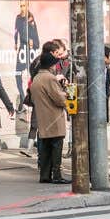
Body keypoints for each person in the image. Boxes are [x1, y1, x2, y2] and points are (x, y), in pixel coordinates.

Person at [28, 50, 69, 184]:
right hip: (54, 117)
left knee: (45, 149)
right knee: (56, 147)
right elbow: (60, 99)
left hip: (42, 117)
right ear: (51, 65)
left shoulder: (36, 78)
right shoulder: (50, 78)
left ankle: (44, 175)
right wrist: (65, 91)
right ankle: (57, 175)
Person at [13, 0, 39, 119]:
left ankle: (33, 100)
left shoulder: (31, 18)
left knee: (32, 74)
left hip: (30, 50)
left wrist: (33, 41)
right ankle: (23, 100)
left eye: (24, 5)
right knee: (17, 74)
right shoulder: (18, 18)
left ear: (28, 5)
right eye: (21, 5)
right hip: (22, 49)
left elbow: (35, 34)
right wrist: (15, 42)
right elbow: (15, 31)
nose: (22, 8)